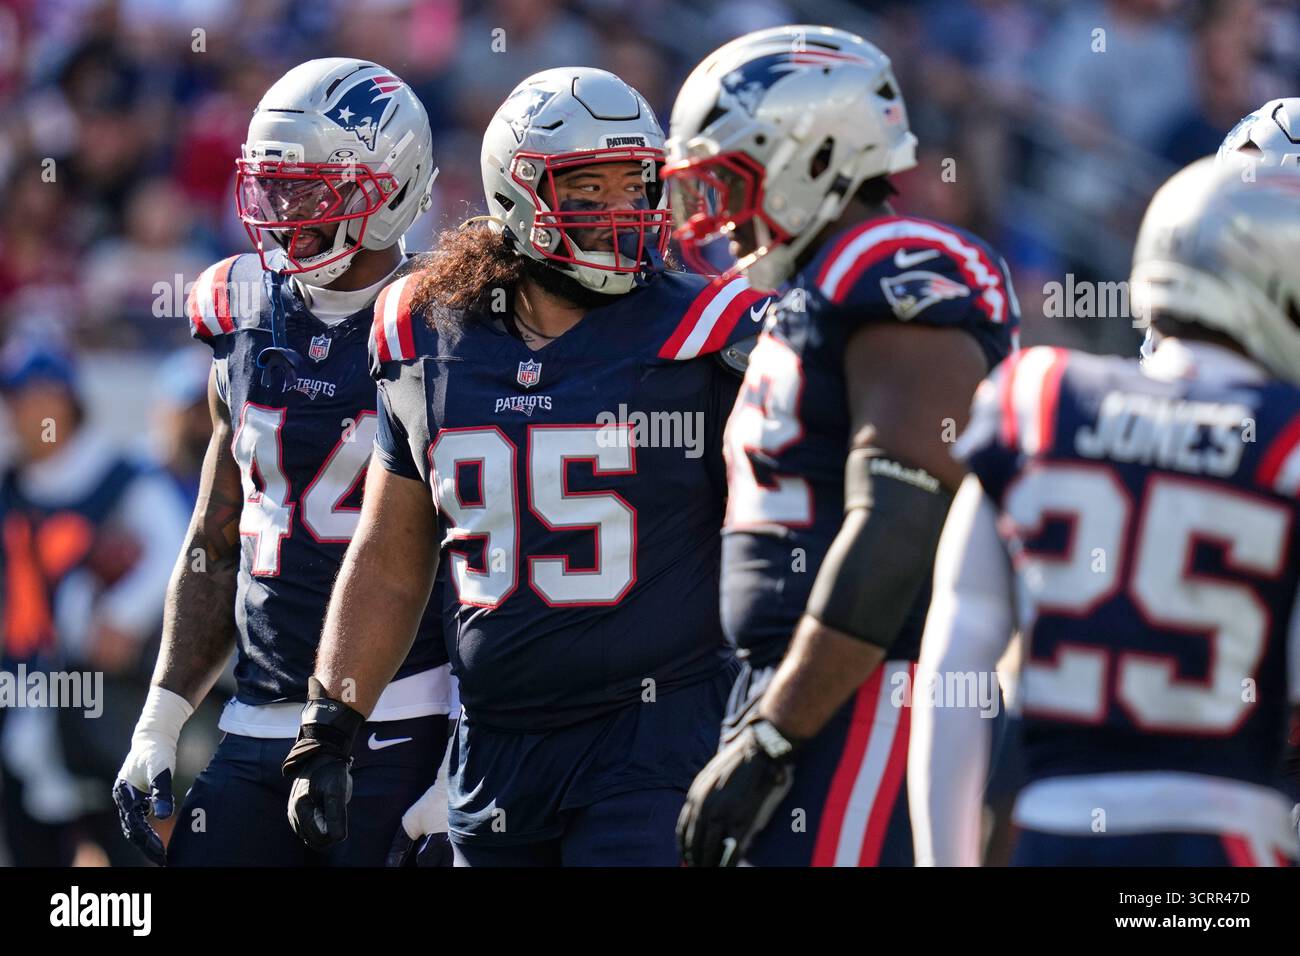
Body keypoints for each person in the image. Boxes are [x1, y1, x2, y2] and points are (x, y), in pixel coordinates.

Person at [281, 67, 770, 867]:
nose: (620, 208)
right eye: (586, 187)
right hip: (495, 749)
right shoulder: (426, 335)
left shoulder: (714, 332)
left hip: (655, 738)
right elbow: (391, 556)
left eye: (635, 181)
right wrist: (330, 723)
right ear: (517, 193)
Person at [665, 25, 1019, 866]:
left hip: (866, 694)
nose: (718, 217)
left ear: (815, 156)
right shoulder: (816, 290)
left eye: (731, 181)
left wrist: (779, 734)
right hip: (813, 687)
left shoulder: (892, 265)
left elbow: (901, 520)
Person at [910, 156, 1300, 866]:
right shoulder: (1284, 441)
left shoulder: (1041, 400)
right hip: (1226, 845)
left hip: (1055, 834)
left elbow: (956, 664)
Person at [112, 58, 454, 866]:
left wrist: (468, 746)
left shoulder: (449, 323)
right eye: (274, 187)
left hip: (399, 719)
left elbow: (491, 561)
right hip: (255, 718)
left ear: (391, 188)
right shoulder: (239, 307)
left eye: (311, 190)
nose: (283, 214)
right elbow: (218, 534)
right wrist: (163, 717)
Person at [0, 343, 188, 866]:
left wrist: (121, 615)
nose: (33, 413)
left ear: (69, 402)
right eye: (20, 399)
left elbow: (176, 551)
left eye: (45, 397)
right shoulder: (12, 485)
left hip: (101, 694)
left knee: (128, 843)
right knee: (30, 837)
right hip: (21, 686)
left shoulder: (118, 477)